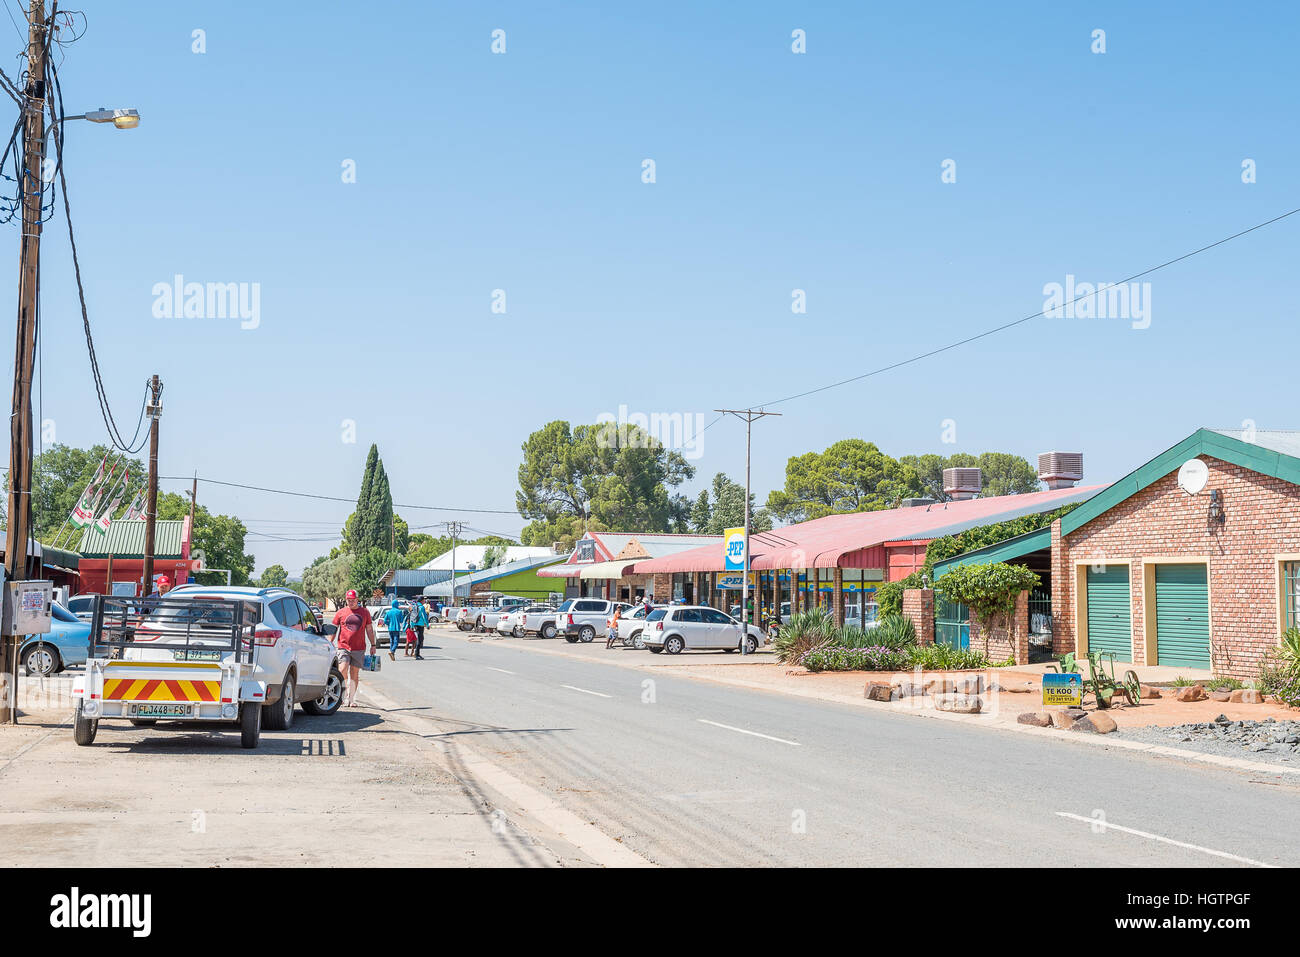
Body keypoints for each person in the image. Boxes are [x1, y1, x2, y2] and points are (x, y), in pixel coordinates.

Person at [331, 590, 377, 708]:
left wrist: (373, 644)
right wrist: (329, 642)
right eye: (348, 600)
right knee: (342, 670)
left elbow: (369, 630)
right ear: (346, 600)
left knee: (354, 673)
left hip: (359, 648)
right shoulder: (341, 612)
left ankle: (351, 698)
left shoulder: (364, 612)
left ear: (357, 600)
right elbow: (334, 629)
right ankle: (344, 696)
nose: (351, 602)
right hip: (343, 646)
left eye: (353, 600)